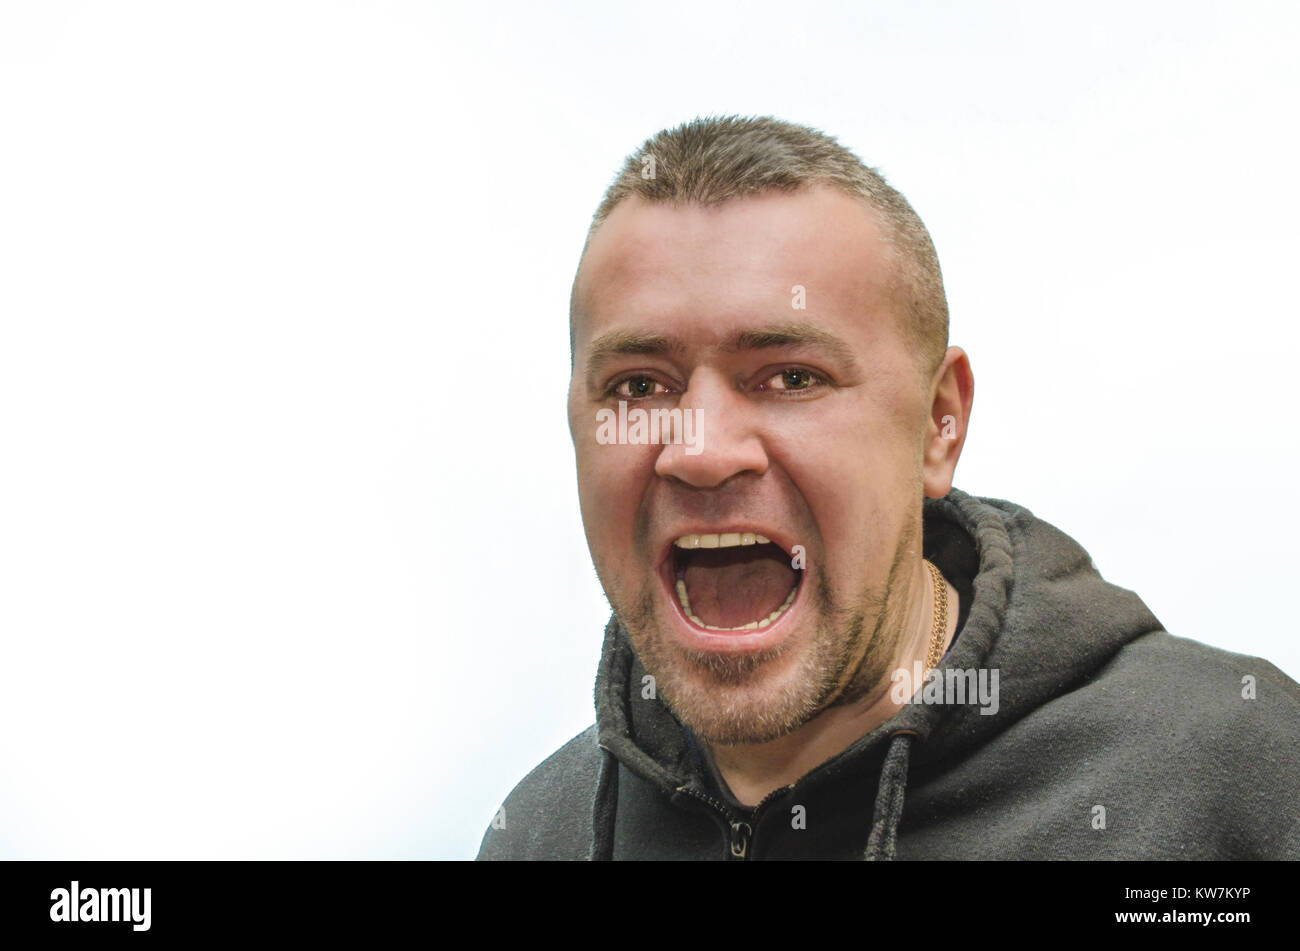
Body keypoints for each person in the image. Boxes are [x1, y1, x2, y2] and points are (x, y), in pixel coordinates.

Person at [477, 115, 1300, 860]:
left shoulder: (1236, 776)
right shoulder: (539, 834)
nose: (700, 451)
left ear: (939, 422)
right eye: (638, 387)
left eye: (790, 376)